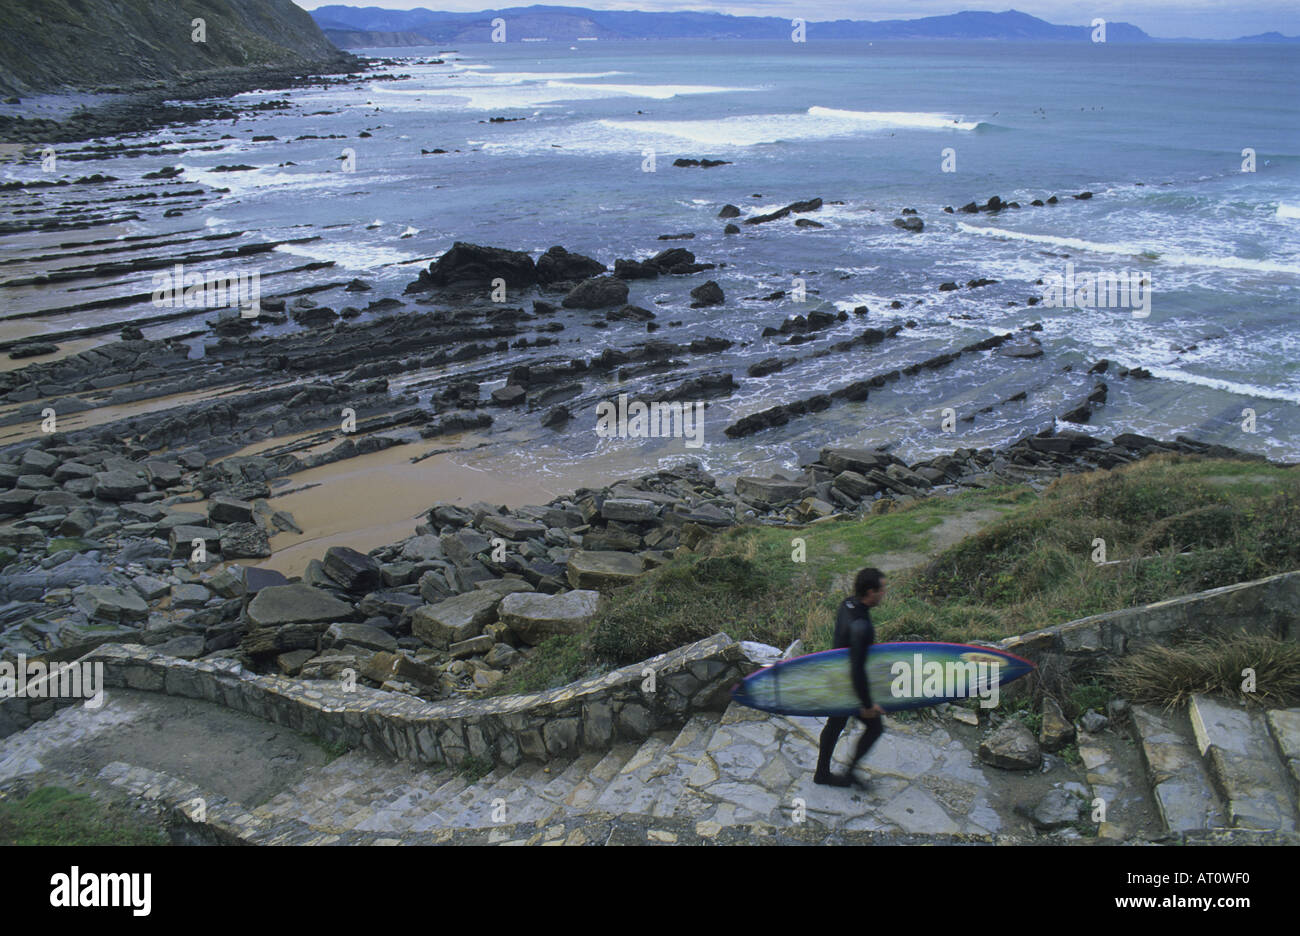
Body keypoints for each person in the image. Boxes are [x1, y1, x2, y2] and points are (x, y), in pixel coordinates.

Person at [813, 567, 886, 788]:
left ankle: (823, 773)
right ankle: (847, 771)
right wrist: (866, 704)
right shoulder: (861, 626)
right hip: (848, 685)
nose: (884, 594)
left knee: (834, 725)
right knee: (875, 728)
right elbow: (857, 668)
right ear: (870, 592)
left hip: (836, 678)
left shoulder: (847, 604)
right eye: (882, 590)